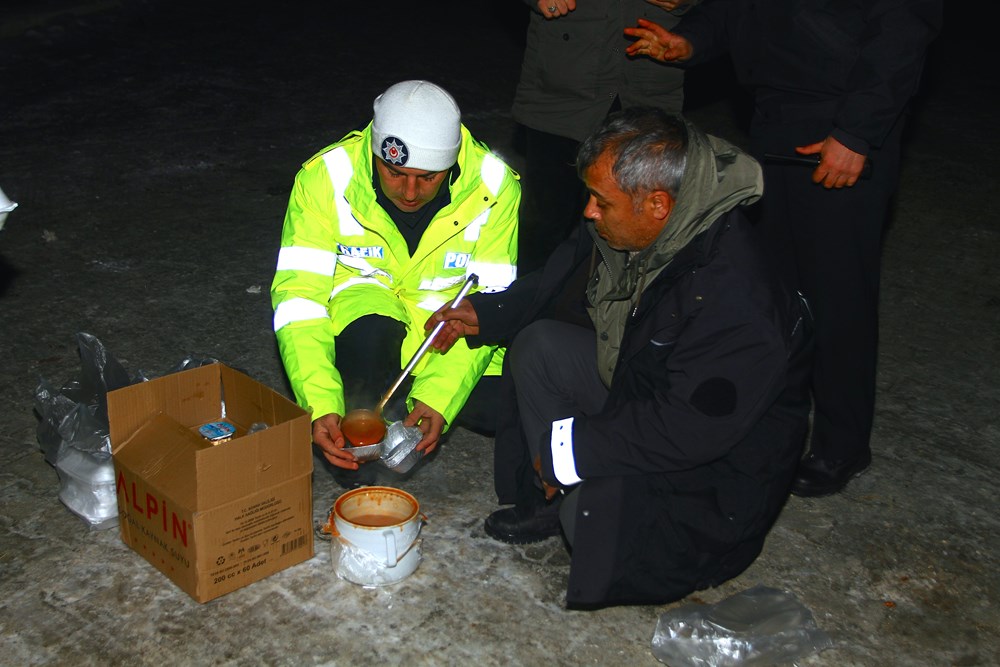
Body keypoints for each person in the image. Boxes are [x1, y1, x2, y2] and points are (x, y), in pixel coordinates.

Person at [426, 108, 812, 608]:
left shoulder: (736, 297)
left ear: (656, 203)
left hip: (712, 478)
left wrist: (571, 452)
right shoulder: (634, 221)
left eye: (600, 202)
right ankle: (553, 496)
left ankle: (577, 499)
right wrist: (485, 313)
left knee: (588, 520)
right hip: (641, 384)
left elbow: (686, 427)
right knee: (541, 347)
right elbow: (553, 280)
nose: (588, 212)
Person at [623, 0, 943, 496]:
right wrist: (691, 40)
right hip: (774, 123)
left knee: (837, 296)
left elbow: (900, 34)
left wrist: (857, 132)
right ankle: (772, 424)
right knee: (772, 293)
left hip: (840, 125)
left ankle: (843, 445)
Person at [271, 80, 520, 487]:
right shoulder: (325, 178)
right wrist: (319, 404)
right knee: (369, 341)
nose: (409, 192)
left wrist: (440, 397)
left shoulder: (494, 187)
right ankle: (362, 466)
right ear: (374, 151)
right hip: (367, 312)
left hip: (446, 334)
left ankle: (404, 399)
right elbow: (299, 299)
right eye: (393, 172)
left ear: (453, 162)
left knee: (509, 407)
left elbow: (489, 302)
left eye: (428, 177)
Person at [512, 0, 699, 274]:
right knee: (545, 223)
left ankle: (624, 311)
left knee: (639, 223)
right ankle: (527, 308)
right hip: (563, 86)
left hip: (648, 84)